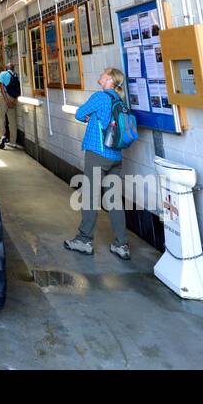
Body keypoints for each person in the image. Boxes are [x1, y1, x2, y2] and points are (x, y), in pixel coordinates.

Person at [64, 67, 131, 260]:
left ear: (109, 79)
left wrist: (90, 117)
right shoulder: (120, 100)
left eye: (103, 74)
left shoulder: (100, 97)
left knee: (90, 197)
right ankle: (121, 244)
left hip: (98, 154)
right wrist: (94, 117)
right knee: (114, 200)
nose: (100, 75)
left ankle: (84, 240)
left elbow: (79, 113)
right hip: (115, 156)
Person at [0, 61, 20, 150]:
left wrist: (7, 101)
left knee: (1, 117)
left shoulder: (3, 73)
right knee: (12, 120)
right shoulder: (15, 75)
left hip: (5, 97)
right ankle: (13, 142)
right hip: (13, 98)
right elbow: (18, 90)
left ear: (7, 68)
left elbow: (2, 88)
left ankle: (2, 136)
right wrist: (14, 102)